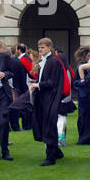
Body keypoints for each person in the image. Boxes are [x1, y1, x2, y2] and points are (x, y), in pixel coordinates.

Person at [30, 38, 65, 166]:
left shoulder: (53, 62)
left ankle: (51, 157)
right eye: (39, 48)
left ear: (50, 48)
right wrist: (37, 84)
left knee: (49, 126)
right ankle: (56, 152)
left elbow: (52, 82)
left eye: (42, 47)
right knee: (45, 125)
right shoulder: (44, 61)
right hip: (43, 97)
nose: (40, 50)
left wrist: (37, 85)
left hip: (50, 98)